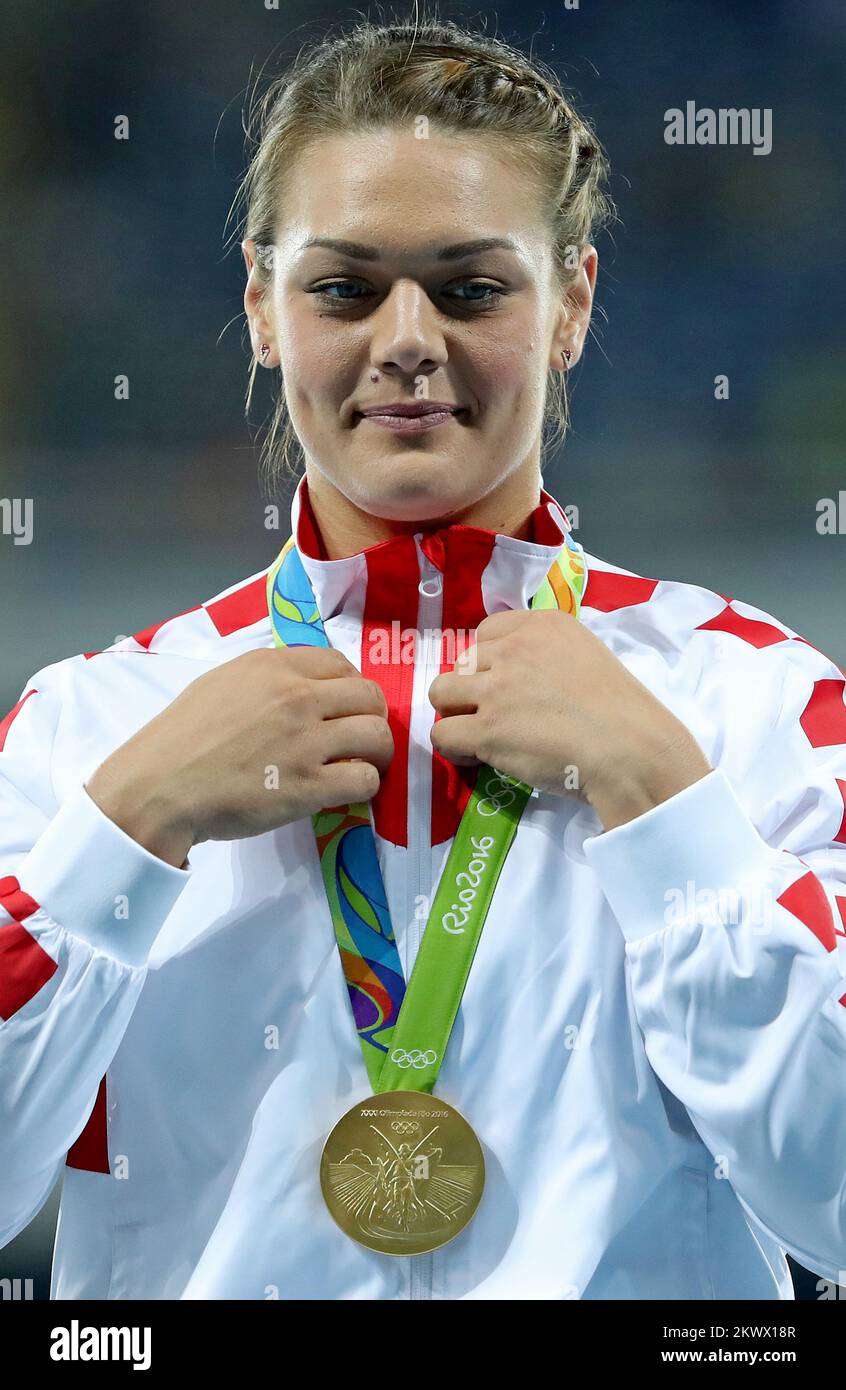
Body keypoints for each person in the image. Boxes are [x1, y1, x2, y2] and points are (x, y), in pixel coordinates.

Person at [1, 14, 845, 1302]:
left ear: (570, 306)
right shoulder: (86, 727)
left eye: (471, 287)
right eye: (343, 287)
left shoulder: (765, 701)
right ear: (261, 310)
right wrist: (129, 823)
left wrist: (670, 810)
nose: (406, 338)